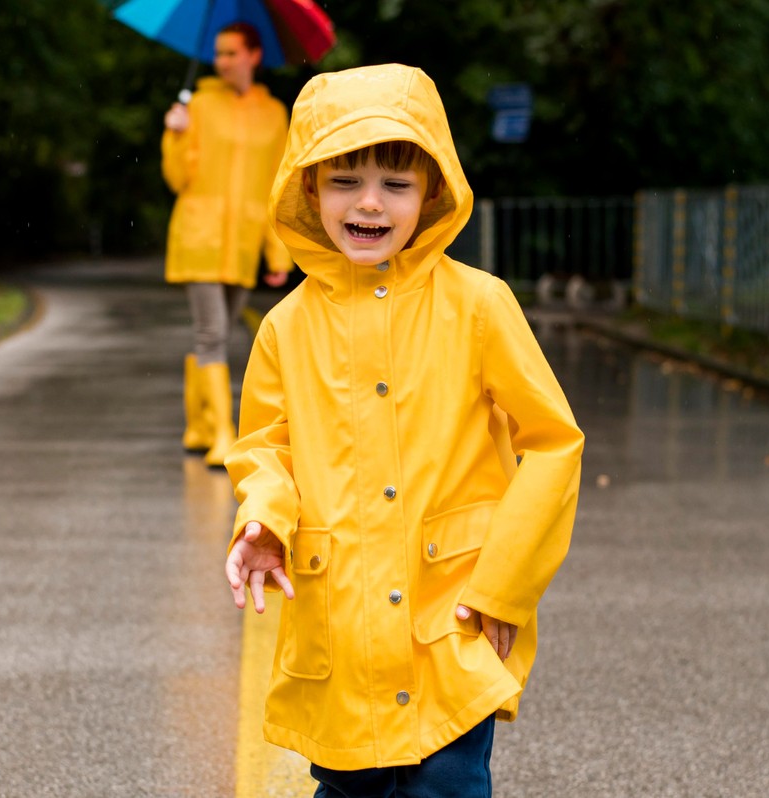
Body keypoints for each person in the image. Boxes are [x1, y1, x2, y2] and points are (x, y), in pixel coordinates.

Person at [223, 63, 585, 796]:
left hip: (451, 620)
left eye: (396, 183)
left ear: (432, 192)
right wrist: (263, 520)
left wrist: (505, 586)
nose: (370, 204)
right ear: (308, 188)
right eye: (345, 180)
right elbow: (266, 449)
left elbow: (552, 441)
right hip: (340, 630)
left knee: (448, 784)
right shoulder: (286, 328)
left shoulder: (479, 306)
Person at [162, 21, 292, 468]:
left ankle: (196, 424)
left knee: (215, 335)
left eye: (231, 53)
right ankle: (222, 436)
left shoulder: (275, 114)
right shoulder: (198, 104)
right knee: (212, 334)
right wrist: (176, 134)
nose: (222, 61)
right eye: (218, 53)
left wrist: (278, 252)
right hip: (199, 236)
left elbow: (279, 184)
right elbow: (178, 178)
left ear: (254, 56)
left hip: (243, 244)